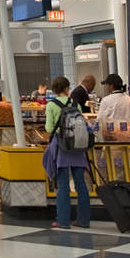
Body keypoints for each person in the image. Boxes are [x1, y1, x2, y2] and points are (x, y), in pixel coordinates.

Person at [46, 76, 91, 229]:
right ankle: (84, 220)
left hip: (61, 146)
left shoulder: (51, 105)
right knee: (81, 184)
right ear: (67, 88)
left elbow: (49, 128)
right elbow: (81, 123)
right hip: (77, 146)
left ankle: (63, 221)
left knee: (63, 184)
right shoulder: (75, 103)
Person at [96, 73, 130, 138]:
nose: (107, 87)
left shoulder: (106, 100)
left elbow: (100, 119)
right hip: (127, 135)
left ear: (111, 85)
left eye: (107, 85)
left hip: (112, 136)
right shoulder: (129, 100)